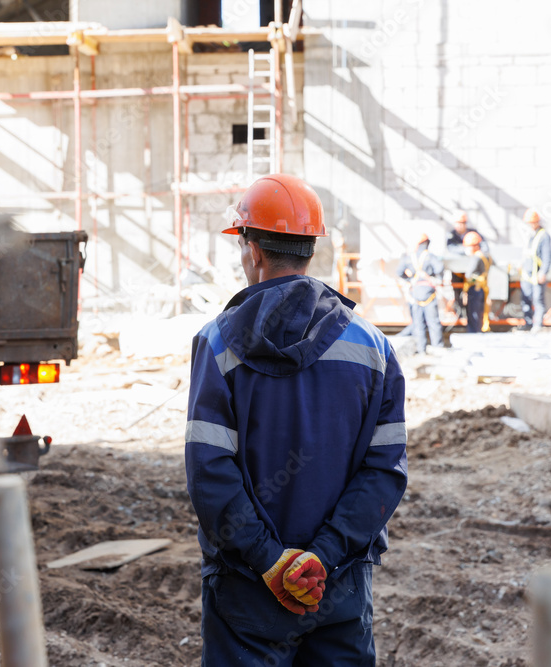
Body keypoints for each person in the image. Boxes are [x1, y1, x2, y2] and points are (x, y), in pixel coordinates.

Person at [185, 174, 408, 666]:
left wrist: (270, 561)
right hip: (336, 587)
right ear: (311, 249)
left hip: (245, 591)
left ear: (253, 251)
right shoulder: (373, 347)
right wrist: (320, 558)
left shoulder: (216, 344)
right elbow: (384, 471)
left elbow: (209, 473)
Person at [397, 234, 444, 354]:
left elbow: (399, 272)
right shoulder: (431, 257)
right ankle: (437, 347)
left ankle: (421, 349)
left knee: (418, 323)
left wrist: (409, 280)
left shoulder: (409, 258)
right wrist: (435, 279)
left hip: (415, 293)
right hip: (428, 293)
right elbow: (439, 269)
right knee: (433, 322)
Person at [445, 211, 487, 318]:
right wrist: (465, 250)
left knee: (473, 293)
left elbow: (484, 246)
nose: (459, 226)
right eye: (457, 223)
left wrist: (475, 250)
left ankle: (474, 315)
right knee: (457, 290)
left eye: (461, 223)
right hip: (458, 271)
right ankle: (460, 312)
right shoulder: (452, 235)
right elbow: (451, 248)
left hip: (473, 271)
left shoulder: (473, 233)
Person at [519, 208, 551, 332]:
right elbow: (525, 254)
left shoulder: (544, 236)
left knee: (538, 299)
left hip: (536, 274)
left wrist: (543, 272)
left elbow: (547, 256)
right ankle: (527, 323)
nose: (530, 225)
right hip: (526, 274)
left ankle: (537, 324)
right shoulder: (529, 235)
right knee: (525, 299)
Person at [462, 231, 491, 333]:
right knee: (479, 314)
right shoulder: (486, 256)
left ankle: (473, 335)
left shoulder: (476, 257)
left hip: (475, 289)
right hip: (482, 289)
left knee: (473, 315)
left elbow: (468, 275)